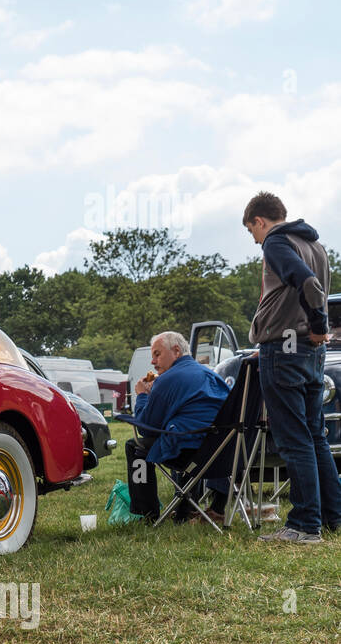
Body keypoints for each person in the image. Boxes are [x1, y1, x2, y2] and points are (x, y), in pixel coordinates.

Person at [244, 191, 341, 542]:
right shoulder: (315, 245)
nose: (255, 240)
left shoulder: (276, 242)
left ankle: (303, 524)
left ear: (260, 220)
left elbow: (308, 284)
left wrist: (318, 324)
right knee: (315, 437)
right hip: (309, 353)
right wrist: (317, 331)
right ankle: (333, 516)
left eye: (252, 231)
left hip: (285, 350)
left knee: (295, 439)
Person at [126, 331, 230, 522]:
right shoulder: (212, 375)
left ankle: (146, 513)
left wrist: (142, 395)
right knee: (183, 434)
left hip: (191, 453)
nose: (153, 362)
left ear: (176, 351)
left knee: (135, 446)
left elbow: (146, 427)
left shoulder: (168, 379)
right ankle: (187, 510)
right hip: (224, 454)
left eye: (157, 354)